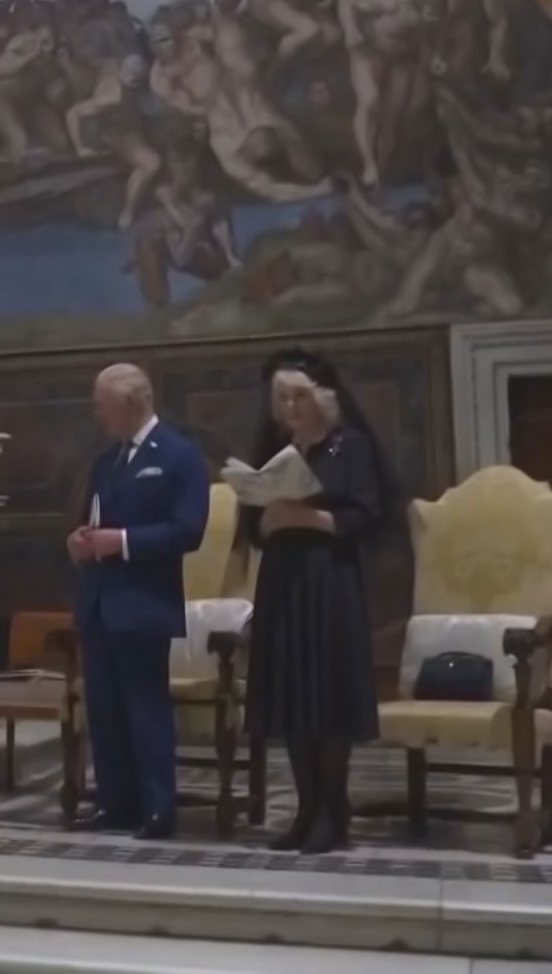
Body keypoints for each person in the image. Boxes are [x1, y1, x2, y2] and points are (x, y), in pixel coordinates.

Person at [241, 350, 392, 855]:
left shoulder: (352, 446)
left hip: (329, 580)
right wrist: (264, 523)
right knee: (293, 695)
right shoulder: (278, 448)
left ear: (323, 397)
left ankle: (332, 810)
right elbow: (253, 526)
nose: (290, 407)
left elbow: (367, 516)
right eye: (282, 398)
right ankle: (305, 809)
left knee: (326, 698)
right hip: (282, 580)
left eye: (299, 397)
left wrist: (308, 518)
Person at [68, 363, 210, 840]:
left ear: (131, 403)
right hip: (100, 602)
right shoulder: (106, 461)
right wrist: (81, 541)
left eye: (102, 405)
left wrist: (123, 542)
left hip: (144, 603)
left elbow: (188, 530)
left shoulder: (178, 455)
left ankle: (157, 808)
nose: (97, 415)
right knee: (105, 712)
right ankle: (115, 803)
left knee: (145, 711)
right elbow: (94, 519)